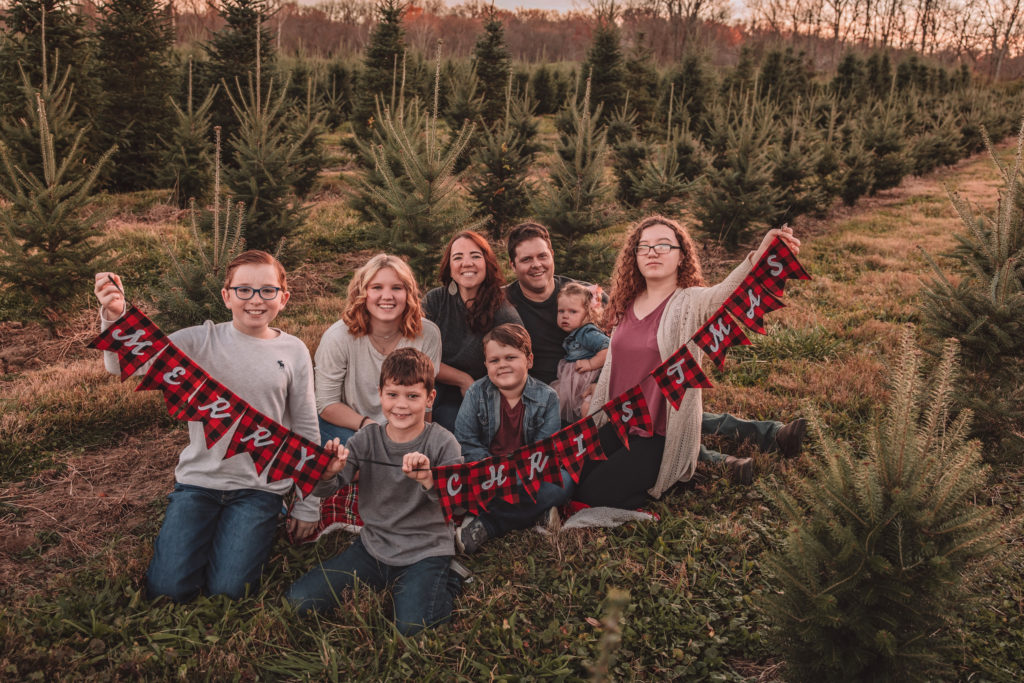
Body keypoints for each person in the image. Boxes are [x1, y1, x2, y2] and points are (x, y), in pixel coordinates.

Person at [92, 251, 321, 602]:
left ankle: (267, 520)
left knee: (230, 591)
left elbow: (306, 427)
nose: (255, 300)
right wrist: (114, 314)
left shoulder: (294, 351)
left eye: (267, 290)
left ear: (283, 298)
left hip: (261, 488)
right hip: (199, 482)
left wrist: (309, 505)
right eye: (244, 290)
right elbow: (127, 364)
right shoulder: (200, 341)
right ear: (226, 295)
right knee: (167, 590)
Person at [577, 215, 805, 509]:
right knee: (574, 480)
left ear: (681, 255)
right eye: (643, 246)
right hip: (620, 423)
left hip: (659, 434)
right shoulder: (625, 303)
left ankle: (678, 477)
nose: (652, 252)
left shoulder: (689, 303)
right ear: (634, 257)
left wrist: (759, 255)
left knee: (597, 495)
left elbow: (726, 294)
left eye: (663, 245)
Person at [286, 348, 463, 636]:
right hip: (374, 548)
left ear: (430, 398)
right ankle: (401, 583)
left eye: (413, 396)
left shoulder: (444, 443)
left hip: (426, 550)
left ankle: (447, 579)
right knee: (299, 601)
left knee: (413, 628)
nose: (401, 405)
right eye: (392, 395)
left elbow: (457, 507)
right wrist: (327, 472)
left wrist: (430, 481)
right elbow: (326, 489)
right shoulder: (366, 439)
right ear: (380, 394)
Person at [453, 324, 572, 554]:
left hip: (528, 474)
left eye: (511, 357)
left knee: (564, 483)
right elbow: (465, 441)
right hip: (487, 471)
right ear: (486, 365)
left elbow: (543, 451)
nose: (503, 365)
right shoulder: (476, 393)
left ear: (529, 360)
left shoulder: (548, 398)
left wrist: (514, 475)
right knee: (458, 478)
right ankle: (538, 513)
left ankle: (488, 523)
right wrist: (497, 472)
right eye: (494, 360)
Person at [314, 254, 441, 446]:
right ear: (362, 293)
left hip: (405, 424)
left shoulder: (428, 334)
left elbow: (424, 398)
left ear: (409, 293)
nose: (387, 296)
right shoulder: (338, 337)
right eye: (377, 288)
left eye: (397, 288)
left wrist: (419, 443)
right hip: (351, 426)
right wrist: (370, 426)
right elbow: (326, 405)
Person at [423, 231, 522, 432]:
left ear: (487, 264)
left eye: (475, 256)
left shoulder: (503, 313)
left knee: (450, 424)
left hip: (481, 393)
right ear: (449, 268)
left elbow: (517, 365)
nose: (467, 263)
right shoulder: (435, 301)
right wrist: (462, 379)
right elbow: (417, 356)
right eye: (458, 257)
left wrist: (474, 386)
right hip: (431, 386)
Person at [504, 222, 597, 385]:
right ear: (513, 265)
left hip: (581, 388)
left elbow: (617, 344)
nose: (536, 265)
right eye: (526, 259)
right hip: (530, 393)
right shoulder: (501, 301)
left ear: (551, 254)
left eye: (542, 256)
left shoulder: (583, 295)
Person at [554, 282, 610, 423]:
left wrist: (590, 363)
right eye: (561, 311)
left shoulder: (587, 332)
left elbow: (609, 349)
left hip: (588, 381)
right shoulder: (576, 332)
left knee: (587, 410)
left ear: (588, 313)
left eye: (573, 312)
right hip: (574, 384)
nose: (565, 316)